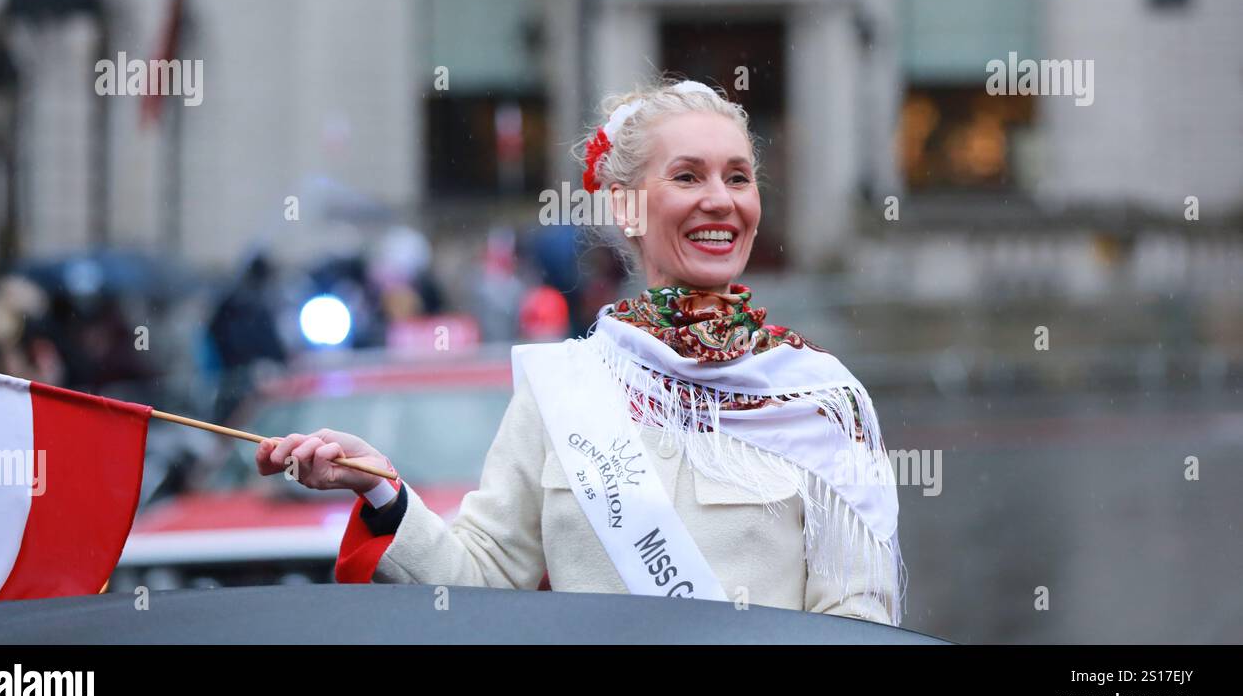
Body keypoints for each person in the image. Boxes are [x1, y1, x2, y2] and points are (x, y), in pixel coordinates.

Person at [256, 78, 906, 624]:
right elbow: (480, 583)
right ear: (625, 207)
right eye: (688, 175)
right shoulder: (560, 388)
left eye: (739, 176)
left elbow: (858, 620)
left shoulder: (822, 396)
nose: (720, 199)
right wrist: (383, 492)